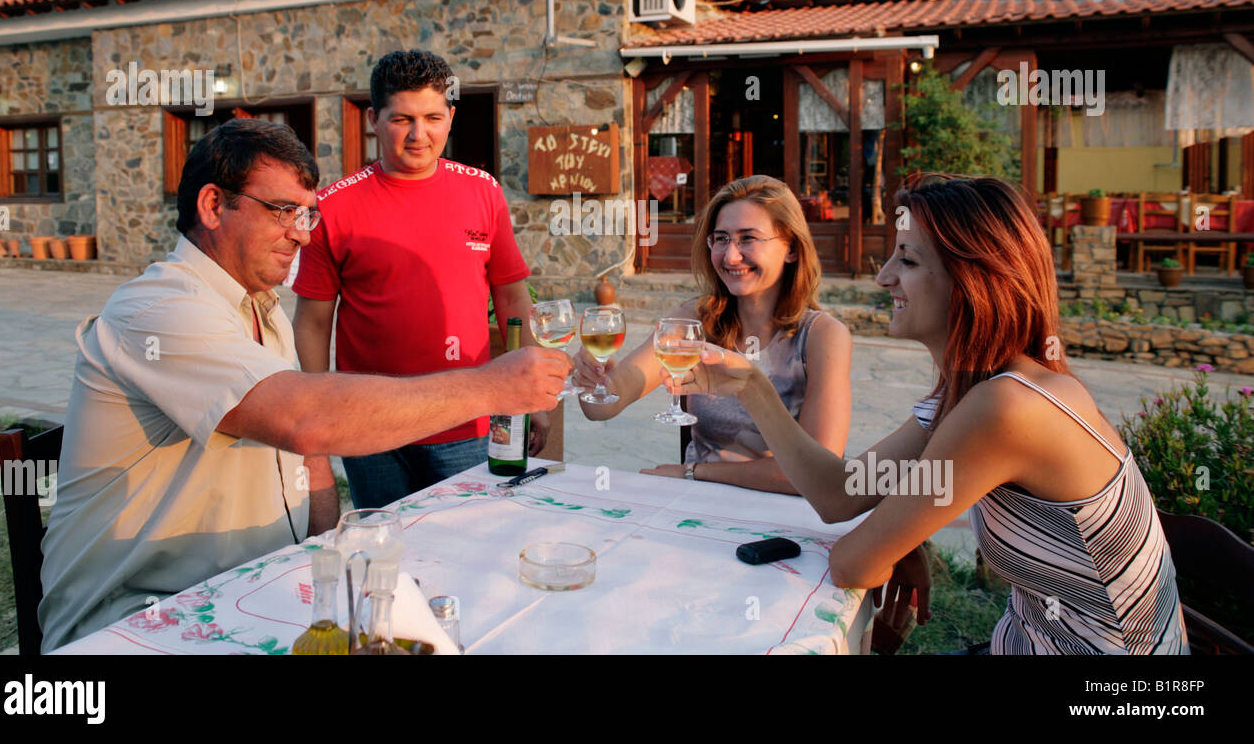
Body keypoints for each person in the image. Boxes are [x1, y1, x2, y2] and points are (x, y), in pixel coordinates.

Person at [38, 119, 568, 652]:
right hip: (139, 620)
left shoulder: (261, 312)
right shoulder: (157, 310)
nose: (303, 232)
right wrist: (489, 387)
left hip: (254, 594)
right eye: (282, 211)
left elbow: (309, 458)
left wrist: (326, 577)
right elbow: (307, 421)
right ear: (213, 205)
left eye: (306, 213)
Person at [672, 173, 1188, 654]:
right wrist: (753, 386)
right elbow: (836, 493)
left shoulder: (1005, 406)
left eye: (908, 261)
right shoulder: (969, 392)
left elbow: (854, 564)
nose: (883, 278)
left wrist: (895, 537)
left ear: (972, 279)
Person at [293, 50, 544, 509]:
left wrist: (527, 393)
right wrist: (316, 419)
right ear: (373, 118)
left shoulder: (482, 191)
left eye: (432, 117)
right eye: (401, 119)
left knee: (471, 538)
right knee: (383, 546)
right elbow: (312, 320)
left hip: (465, 419)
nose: (418, 134)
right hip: (367, 425)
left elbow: (511, 295)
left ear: (450, 116)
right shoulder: (333, 206)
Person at [574, 175, 851, 493]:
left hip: (781, 518)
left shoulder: (823, 336)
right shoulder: (694, 321)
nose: (731, 256)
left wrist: (694, 472)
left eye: (747, 239)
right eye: (721, 239)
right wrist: (594, 378)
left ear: (791, 248)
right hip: (698, 505)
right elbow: (603, 407)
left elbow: (820, 472)